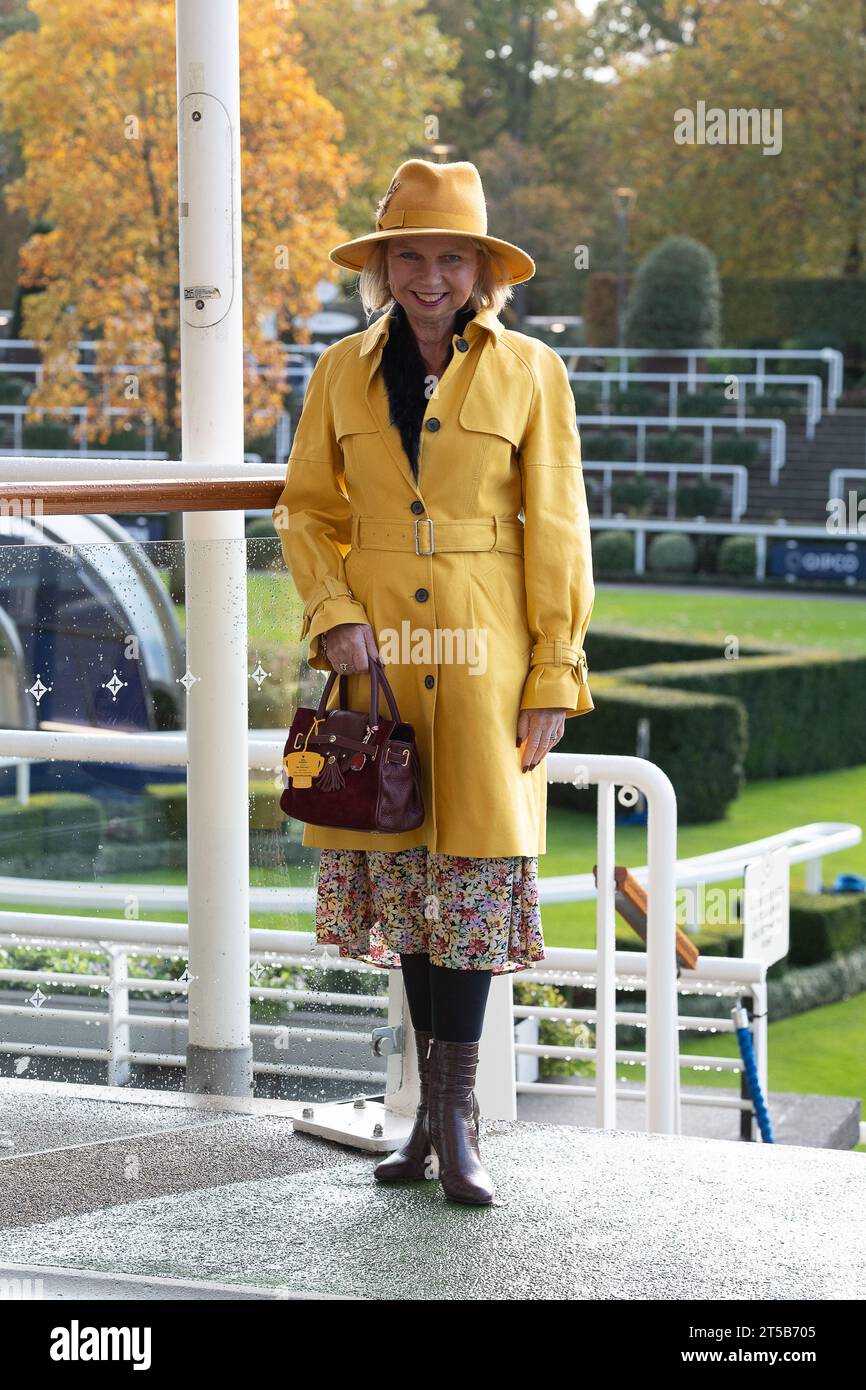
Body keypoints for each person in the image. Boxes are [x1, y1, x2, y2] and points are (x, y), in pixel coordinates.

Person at [272, 158, 595, 1205]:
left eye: (448, 256)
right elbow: (304, 510)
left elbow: (556, 528)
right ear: (381, 267)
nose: (427, 275)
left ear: (479, 271)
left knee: (466, 880)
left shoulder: (532, 371)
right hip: (377, 667)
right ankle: (423, 1117)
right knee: (410, 887)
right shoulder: (337, 371)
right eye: (407, 254)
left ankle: (453, 1122)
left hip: (487, 657)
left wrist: (552, 670)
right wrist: (333, 618)